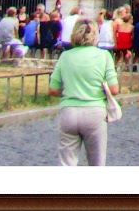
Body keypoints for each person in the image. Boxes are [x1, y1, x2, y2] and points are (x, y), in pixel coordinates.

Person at [46, 18, 120, 166]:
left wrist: (69, 90)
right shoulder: (104, 56)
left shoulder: (65, 56)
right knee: (96, 163)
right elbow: (114, 89)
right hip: (95, 111)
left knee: (67, 163)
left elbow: (53, 90)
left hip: (69, 112)